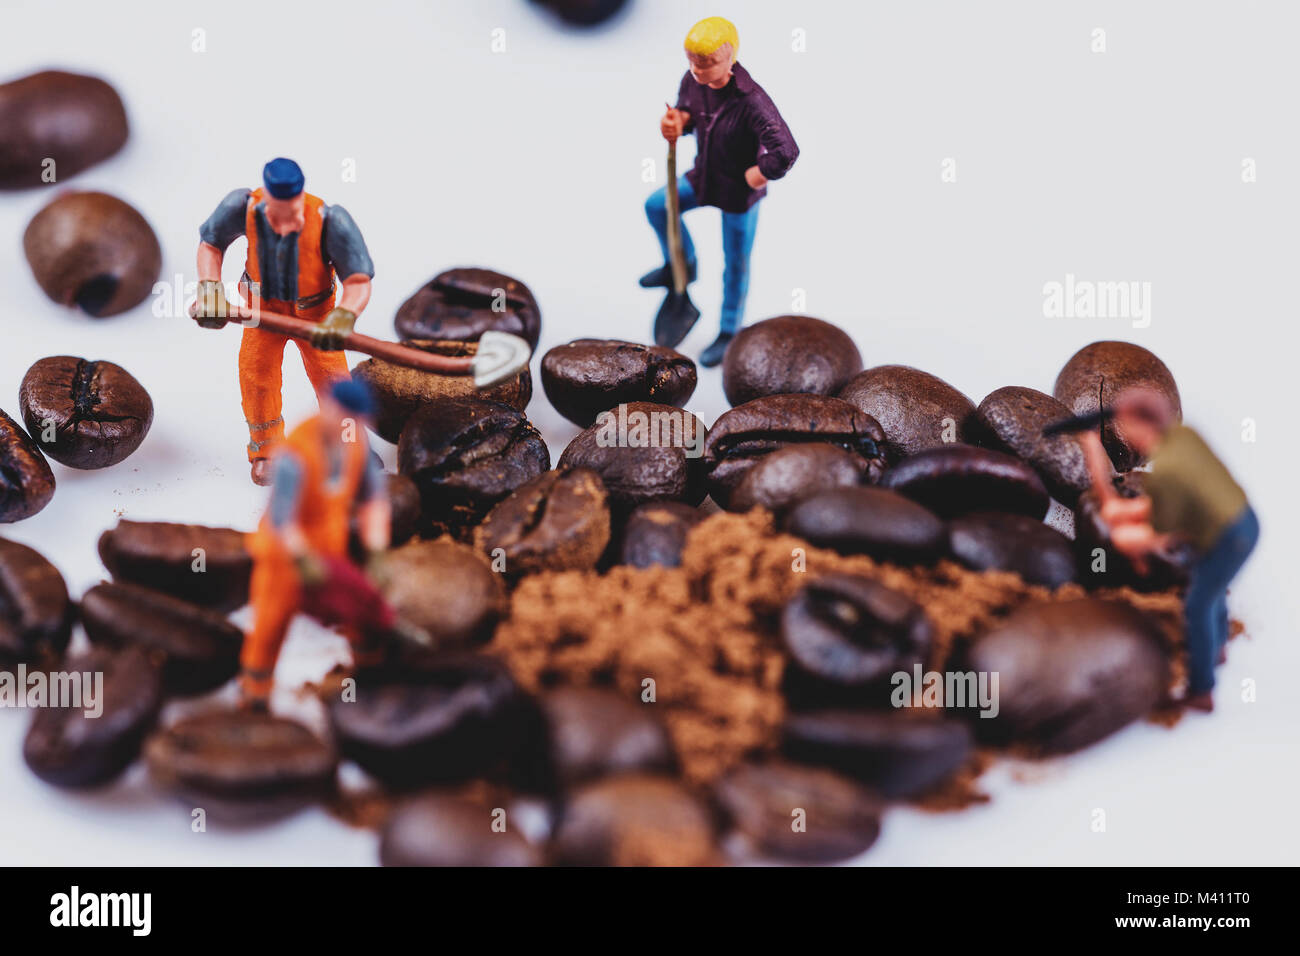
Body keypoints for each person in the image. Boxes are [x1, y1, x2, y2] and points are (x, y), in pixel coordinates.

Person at [193, 158, 375, 485]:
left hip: (317, 319)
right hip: (261, 314)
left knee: (335, 383)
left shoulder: (331, 221)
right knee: (256, 378)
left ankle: (349, 450)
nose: (284, 226)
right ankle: (267, 452)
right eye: (276, 217)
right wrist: (210, 289)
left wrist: (344, 316)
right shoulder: (242, 207)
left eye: (291, 217)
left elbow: (359, 281)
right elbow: (210, 245)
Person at [1079, 387, 1257, 711]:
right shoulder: (1184, 436)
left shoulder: (1166, 472)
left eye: (1125, 424)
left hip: (1228, 537)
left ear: (1140, 424)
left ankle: (1201, 691)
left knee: (1198, 605)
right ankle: (1217, 648)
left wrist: (1124, 530)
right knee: (1212, 586)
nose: (1123, 433)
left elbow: (1161, 532)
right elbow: (1177, 502)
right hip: (1242, 518)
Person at [642, 16, 799, 367]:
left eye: (707, 63)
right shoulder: (693, 81)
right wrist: (676, 123)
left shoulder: (752, 101)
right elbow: (687, 114)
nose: (698, 70)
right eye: (693, 63)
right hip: (703, 178)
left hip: (739, 195)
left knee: (736, 264)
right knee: (657, 206)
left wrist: (758, 175)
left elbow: (786, 151)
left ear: (730, 60)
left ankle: (730, 331)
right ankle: (682, 265)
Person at [239, 380, 392, 709]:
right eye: (345, 415)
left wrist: (377, 548)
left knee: (357, 610)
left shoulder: (355, 448)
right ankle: (255, 693)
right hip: (283, 555)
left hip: (330, 552)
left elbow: (373, 501)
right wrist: (302, 558)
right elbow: (282, 518)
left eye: (358, 419)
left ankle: (372, 674)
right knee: (271, 622)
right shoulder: (296, 452)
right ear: (330, 408)